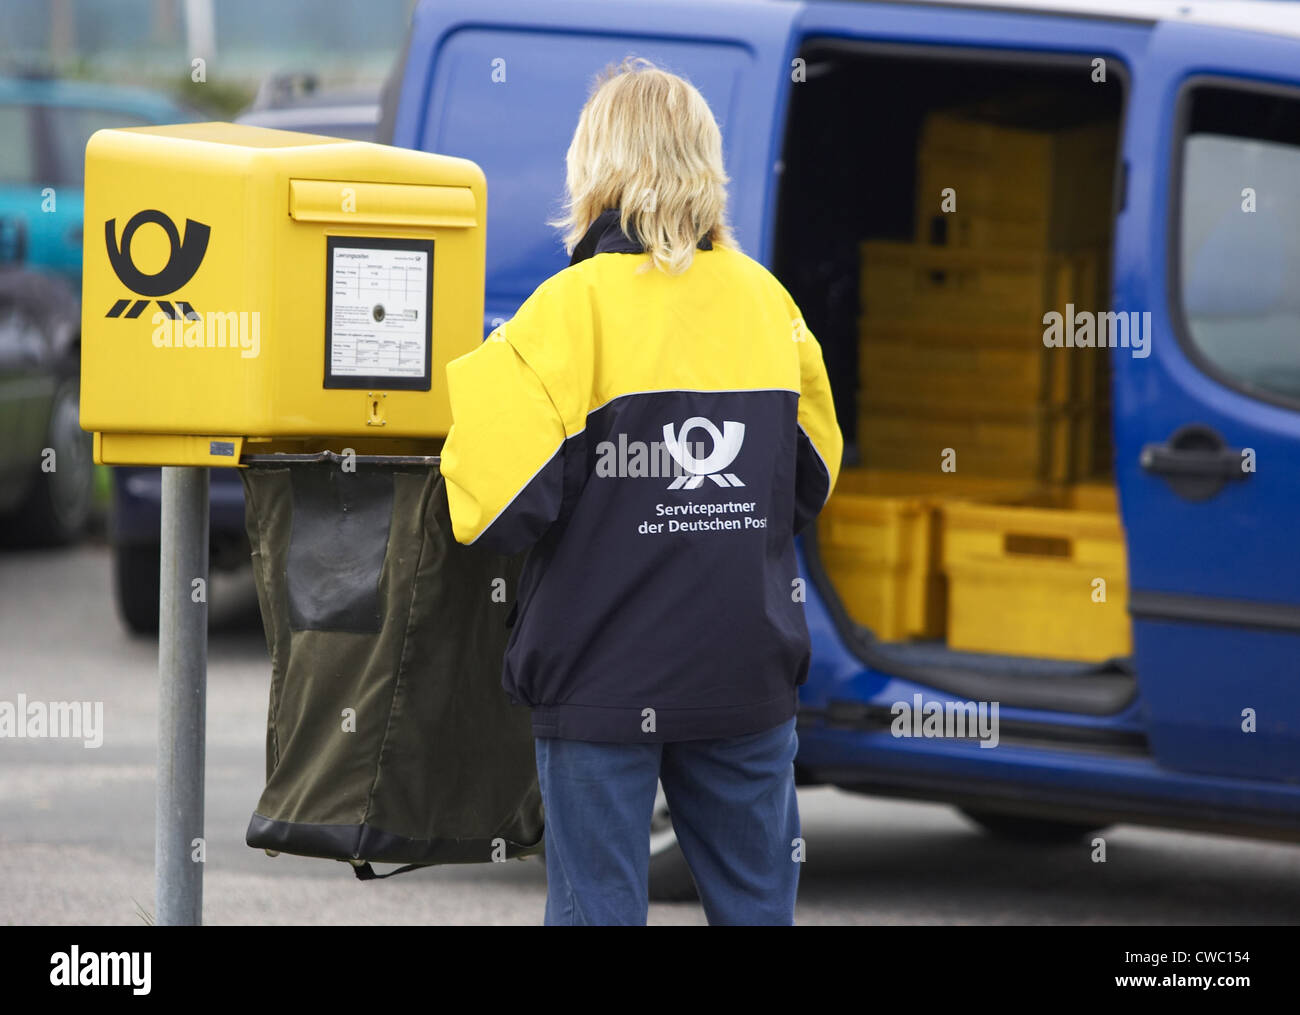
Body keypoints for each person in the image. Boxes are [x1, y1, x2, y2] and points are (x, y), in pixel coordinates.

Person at [440, 57, 842, 925]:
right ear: (707, 166)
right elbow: (811, 481)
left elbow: (496, 513)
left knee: (596, 912)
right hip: (745, 669)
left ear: (593, 169)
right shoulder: (770, 306)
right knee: (758, 909)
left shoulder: (563, 312)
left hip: (601, 680)